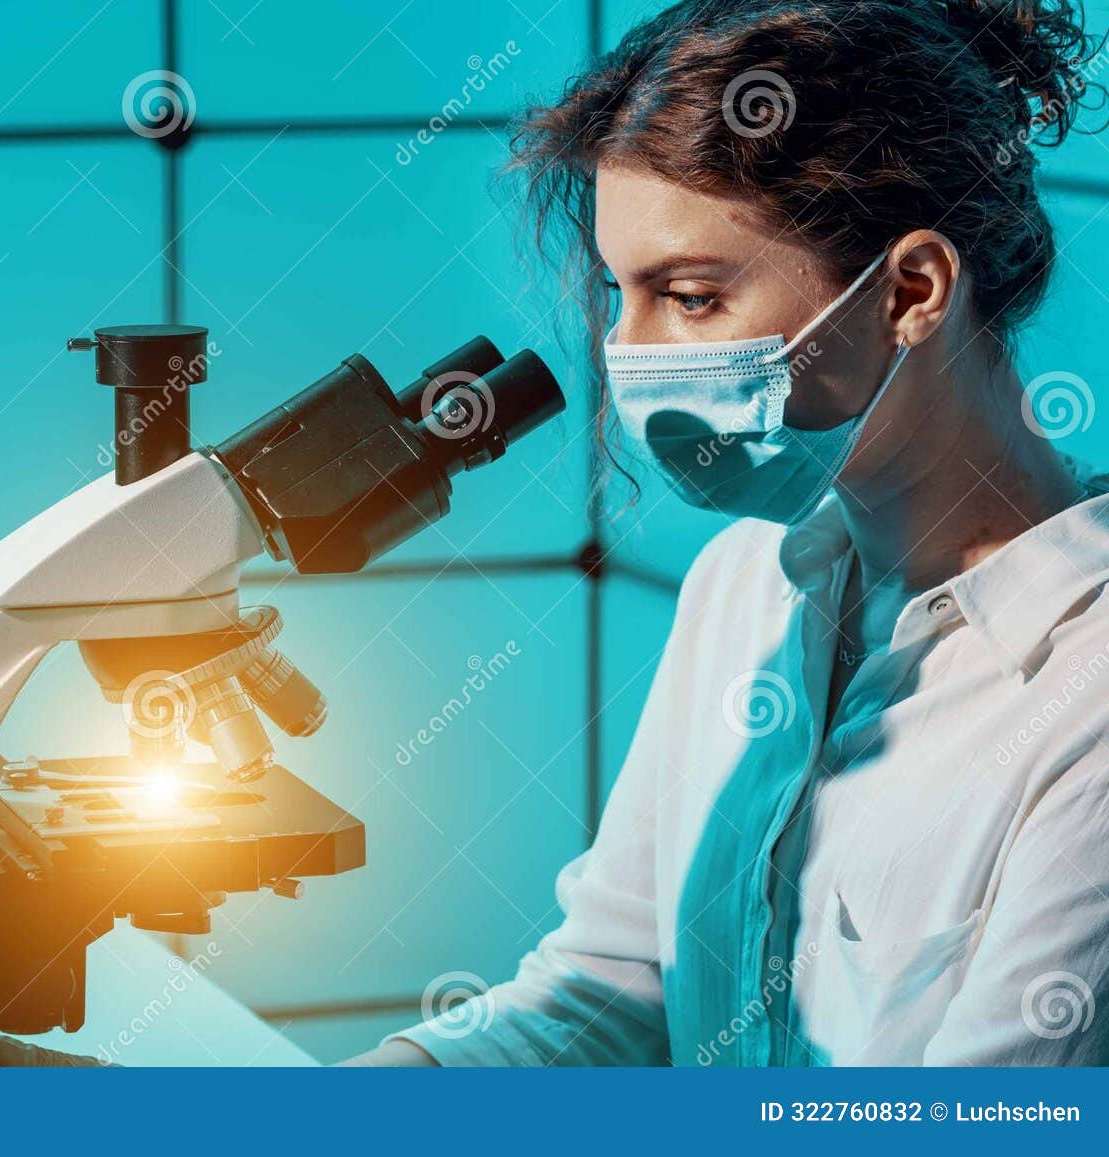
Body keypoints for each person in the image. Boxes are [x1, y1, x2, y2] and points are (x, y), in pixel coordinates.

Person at [349, 0, 1109, 1066]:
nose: (628, 351)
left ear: (910, 290)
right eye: (621, 295)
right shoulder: (745, 582)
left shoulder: (1086, 697)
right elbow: (611, 996)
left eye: (691, 297)